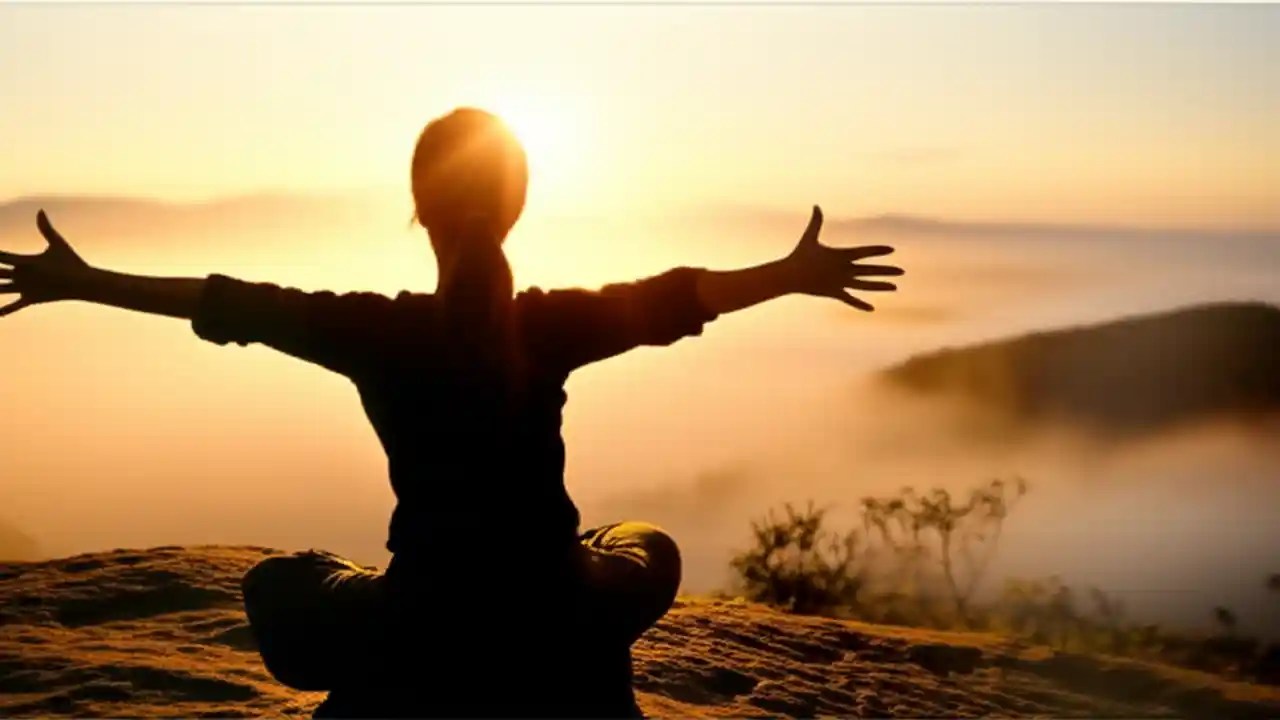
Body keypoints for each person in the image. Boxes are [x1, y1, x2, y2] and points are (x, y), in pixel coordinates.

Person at [0, 107, 903, 717]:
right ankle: (580, 572)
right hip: (561, 606)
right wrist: (791, 274)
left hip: (421, 612)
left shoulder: (373, 330)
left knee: (280, 581)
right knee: (649, 546)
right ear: (515, 211)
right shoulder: (546, 324)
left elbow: (227, 301)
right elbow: (676, 298)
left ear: (419, 210)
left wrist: (85, 282)